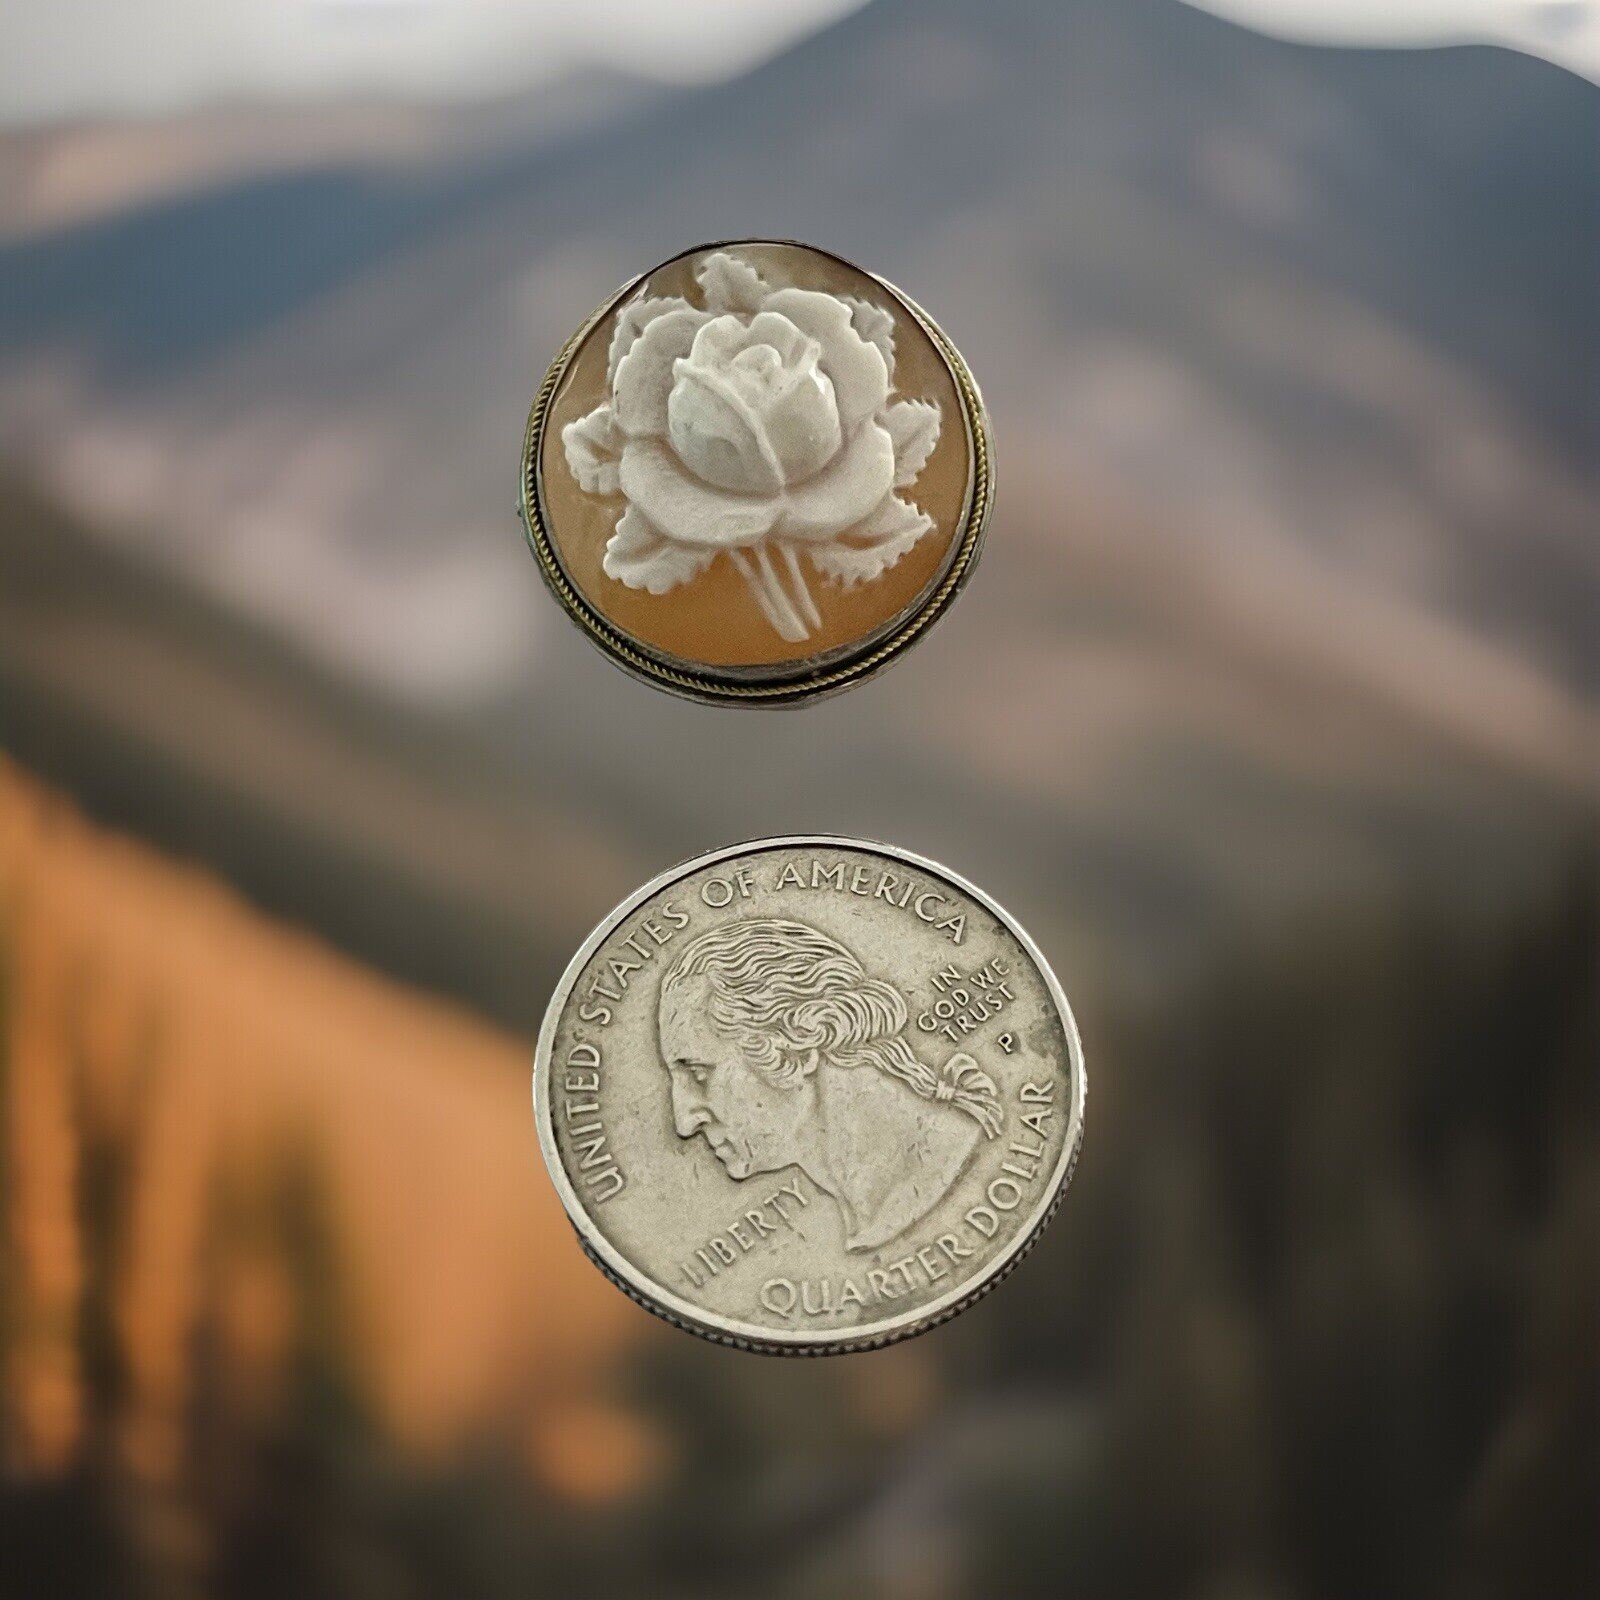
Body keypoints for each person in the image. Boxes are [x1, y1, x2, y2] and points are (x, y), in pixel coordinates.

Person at [657, 917, 1002, 1251]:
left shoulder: (950, 1161)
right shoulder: (873, 1220)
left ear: (797, 1047)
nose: (684, 1121)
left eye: (700, 1074)